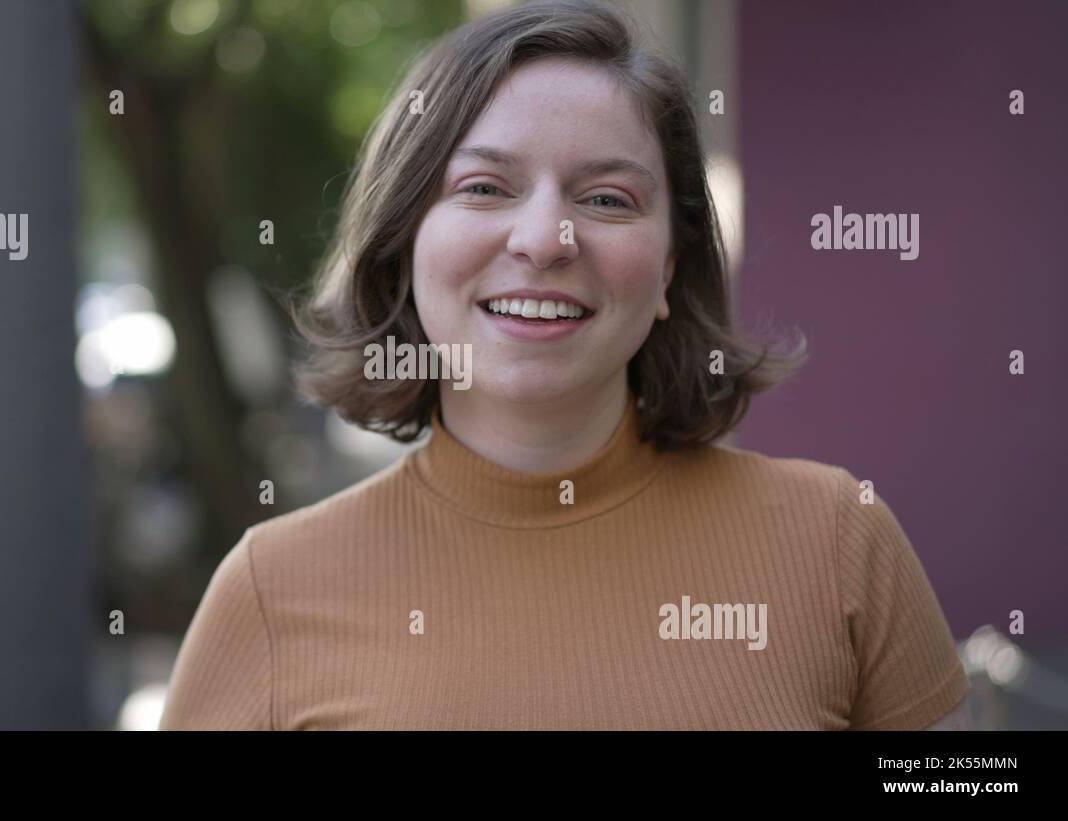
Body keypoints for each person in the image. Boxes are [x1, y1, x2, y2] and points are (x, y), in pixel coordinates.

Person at [159, 0, 970, 730]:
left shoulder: (839, 540)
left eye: (608, 198)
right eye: (484, 186)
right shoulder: (271, 591)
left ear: (667, 270)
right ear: (403, 244)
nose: (546, 239)